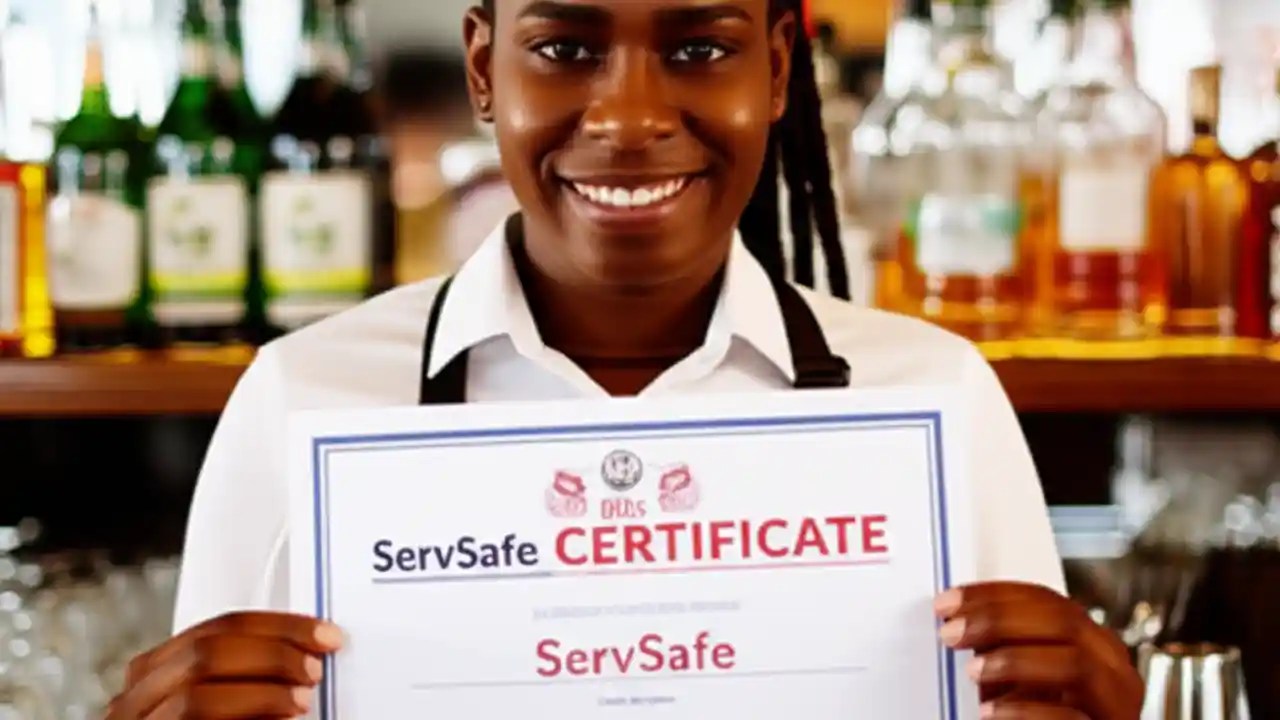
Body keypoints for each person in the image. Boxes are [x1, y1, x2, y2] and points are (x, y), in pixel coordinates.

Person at [106, 0, 1143, 718]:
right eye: (564, 47)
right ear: (484, 69)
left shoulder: (936, 398)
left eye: (699, 48)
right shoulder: (300, 400)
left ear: (778, 69)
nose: (630, 118)